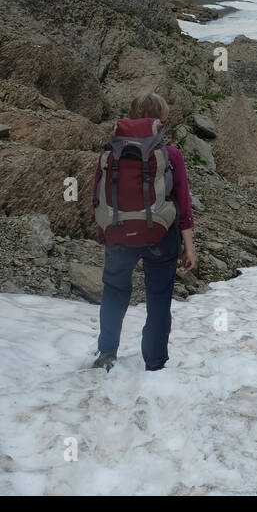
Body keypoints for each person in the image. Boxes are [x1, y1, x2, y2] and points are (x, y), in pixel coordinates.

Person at [90, 92, 197, 371]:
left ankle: (106, 354)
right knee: (159, 298)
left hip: (119, 234)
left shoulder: (111, 151)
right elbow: (182, 202)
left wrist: (105, 233)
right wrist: (189, 246)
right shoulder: (170, 154)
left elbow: (97, 196)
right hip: (161, 235)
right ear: (162, 118)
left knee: (114, 292)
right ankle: (155, 362)